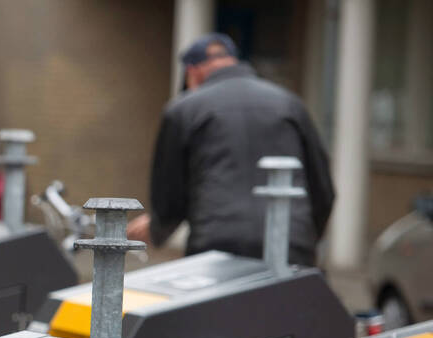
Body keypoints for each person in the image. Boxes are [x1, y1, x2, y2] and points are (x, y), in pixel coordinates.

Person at [127, 33, 335, 266]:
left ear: (192, 72)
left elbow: (171, 195)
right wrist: (304, 235)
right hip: (289, 240)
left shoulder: (183, 109)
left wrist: (158, 228)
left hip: (216, 243)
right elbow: (323, 188)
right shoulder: (290, 104)